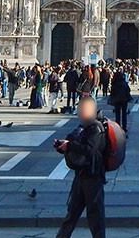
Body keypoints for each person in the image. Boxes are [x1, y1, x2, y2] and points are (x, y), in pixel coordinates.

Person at [53, 95, 105, 238]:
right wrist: (62, 146)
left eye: (82, 109)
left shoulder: (96, 128)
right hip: (81, 176)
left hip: (93, 177)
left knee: (95, 216)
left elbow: (90, 150)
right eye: (79, 109)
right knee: (72, 213)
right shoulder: (83, 127)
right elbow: (72, 141)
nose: (80, 112)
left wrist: (70, 145)